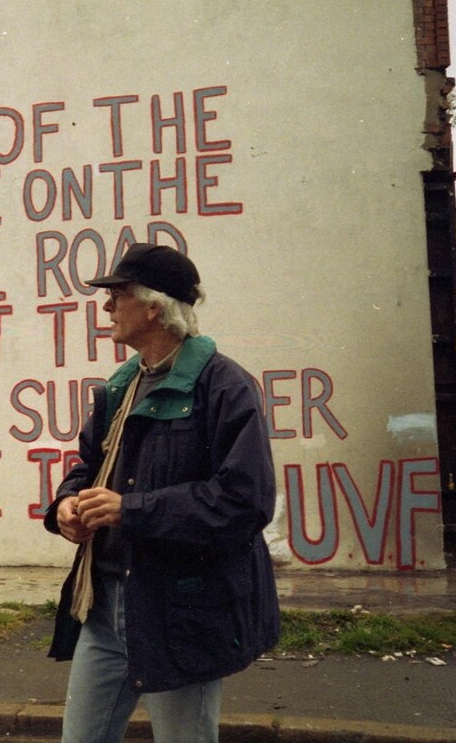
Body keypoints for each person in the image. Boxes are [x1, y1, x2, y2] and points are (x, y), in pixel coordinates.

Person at [44, 243, 280, 743]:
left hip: (179, 610)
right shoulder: (121, 386)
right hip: (104, 603)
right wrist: (67, 503)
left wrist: (130, 510)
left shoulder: (224, 385)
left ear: (154, 307)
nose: (107, 306)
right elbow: (89, 465)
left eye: (118, 295)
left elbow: (246, 501)